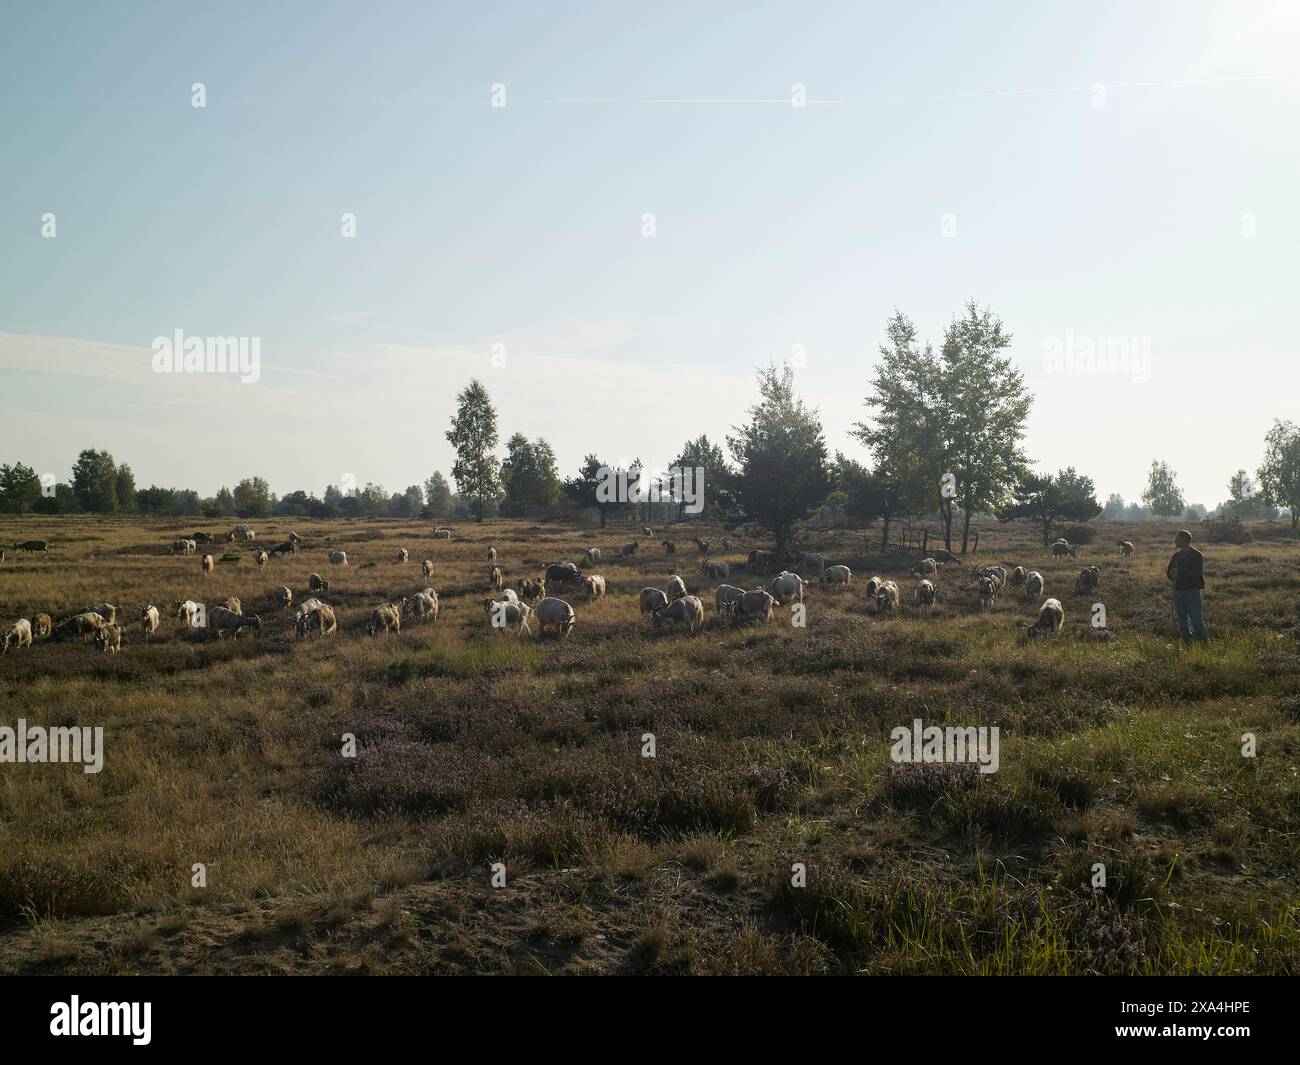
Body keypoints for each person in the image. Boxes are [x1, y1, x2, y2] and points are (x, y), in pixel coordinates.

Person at [1166, 529, 1208, 644]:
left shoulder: (1197, 555)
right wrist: (1171, 574)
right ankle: (1187, 645)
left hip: (1192, 592)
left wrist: (1179, 572)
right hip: (1178, 592)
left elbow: (1196, 573)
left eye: (1177, 538)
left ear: (1184, 540)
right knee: (1182, 621)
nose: (1175, 541)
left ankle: (1204, 645)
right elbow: (1169, 572)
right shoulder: (1176, 556)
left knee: (1196, 620)